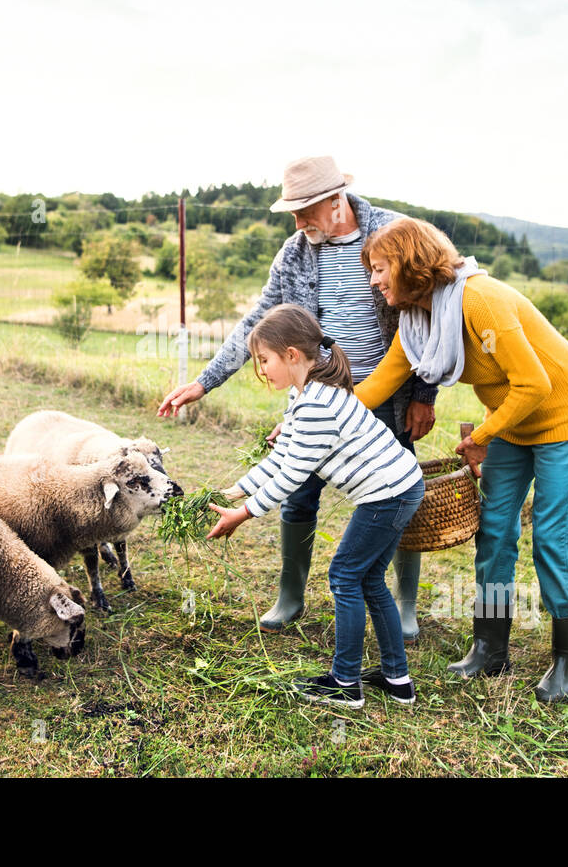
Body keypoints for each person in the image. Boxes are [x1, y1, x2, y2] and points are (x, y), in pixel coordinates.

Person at [157, 155, 437, 639]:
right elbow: (256, 321)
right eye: (292, 212)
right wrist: (205, 381)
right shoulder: (295, 251)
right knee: (298, 489)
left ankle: (405, 606)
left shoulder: (394, 234)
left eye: (304, 210)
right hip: (321, 395)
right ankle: (291, 596)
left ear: (335, 202)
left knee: (395, 492)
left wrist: (424, 394)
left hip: (388, 398)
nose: (297, 221)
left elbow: (426, 316)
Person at [353, 216, 568, 703]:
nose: (375, 279)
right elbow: (378, 385)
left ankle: (567, 663)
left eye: (381, 268)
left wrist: (483, 435)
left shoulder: (480, 300)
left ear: (409, 263)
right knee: (493, 533)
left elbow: (536, 384)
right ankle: (490, 647)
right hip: (511, 422)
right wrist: (309, 419)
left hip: (562, 419)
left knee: (551, 539)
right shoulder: (419, 321)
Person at [205, 304, 426, 708]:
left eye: (265, 360)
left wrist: (244, 513)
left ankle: (345, 683)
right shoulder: (304, 393)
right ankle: (397, 679)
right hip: (398, 487)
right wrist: (232, 493)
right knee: (369, 580)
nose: (262, 370)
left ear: (292, 355)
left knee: (344, 575)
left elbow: (291, 477)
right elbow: (281, 458)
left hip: (388, 495)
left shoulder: (315, 406)